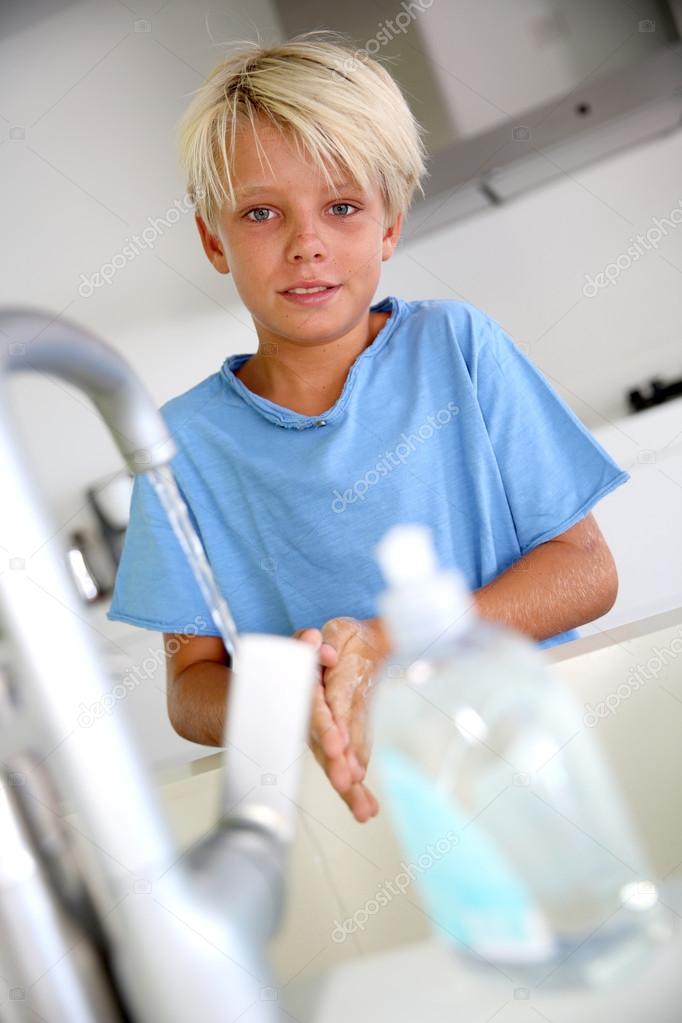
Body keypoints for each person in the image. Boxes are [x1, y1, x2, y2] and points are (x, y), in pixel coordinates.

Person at [107, 32, 630, 824]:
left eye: (343, 206)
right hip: (344, 795)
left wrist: (387, 646)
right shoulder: (178, 449)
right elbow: (191, 687)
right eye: (260, 213)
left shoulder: (458, 346)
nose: (306, 242)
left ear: (388, 224)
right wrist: (297, 706)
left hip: (535, 761)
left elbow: (587, 570)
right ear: (213, 238)